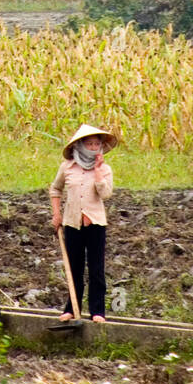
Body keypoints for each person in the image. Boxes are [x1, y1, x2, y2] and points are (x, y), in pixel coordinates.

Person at [49, 122, 116, 324]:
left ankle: (98, 312)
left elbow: (106, 194)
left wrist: (97, 171)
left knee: (96, 269)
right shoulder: (67, 167)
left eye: (97, 144)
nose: (94, 147)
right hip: (72, 224)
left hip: (95, 225)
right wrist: (56, 214)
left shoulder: (105, 169)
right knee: (74, 268)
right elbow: (55, 189)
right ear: (80, 145)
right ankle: (71, 308)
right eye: (90, 144)